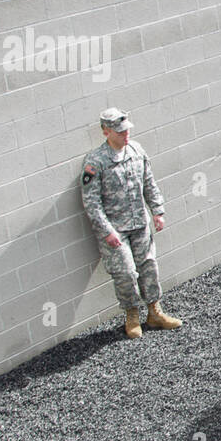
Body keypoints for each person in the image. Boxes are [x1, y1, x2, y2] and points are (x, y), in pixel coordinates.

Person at [80, 108, 182, 340]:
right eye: (119, 132)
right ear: (106, 132)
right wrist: (107, 231)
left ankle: (155, 312)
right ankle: (132, 316)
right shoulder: (96, 162)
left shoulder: (136, 151)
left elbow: (149, 182)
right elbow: (91, 203)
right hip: (116, 232)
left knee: (148, 267)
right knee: (125, 273)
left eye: (126, 130)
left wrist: (157, 211)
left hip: (139, 224)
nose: (125, 135)